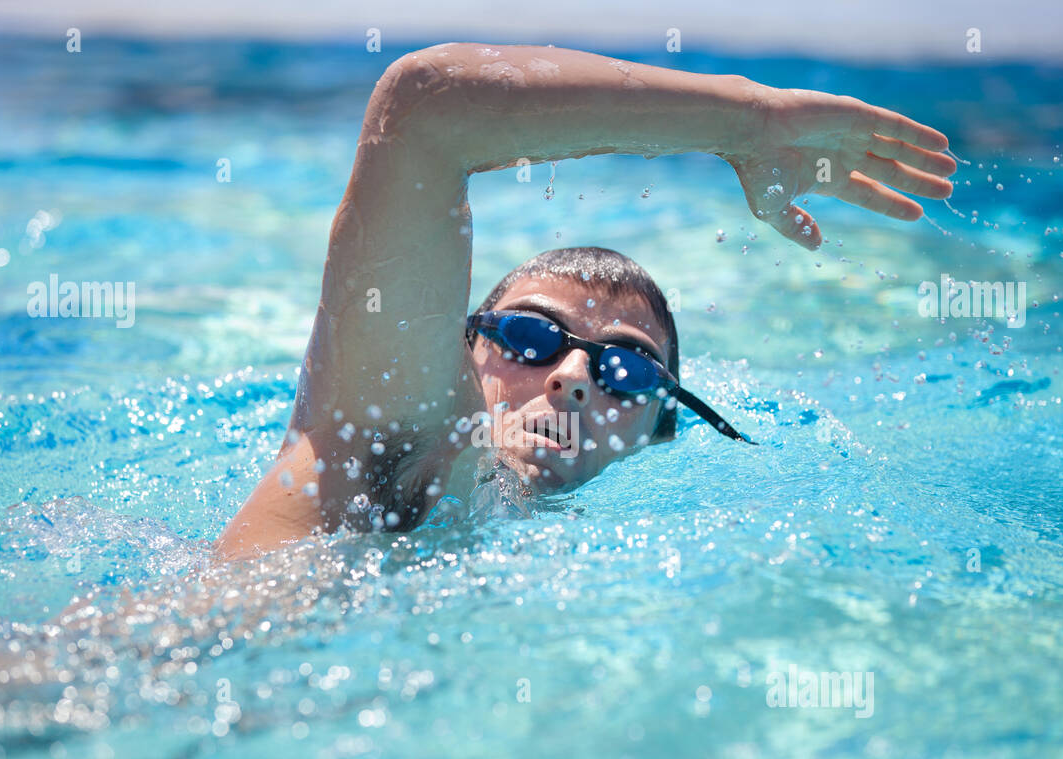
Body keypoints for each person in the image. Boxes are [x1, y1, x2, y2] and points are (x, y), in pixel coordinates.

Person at [214, 42, 954, 562]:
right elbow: (423, 110)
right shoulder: (396, 444)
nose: (570, 375)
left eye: (627, 370)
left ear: (659, 431)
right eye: (530, 337)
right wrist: (744, 123)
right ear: (464, 354)